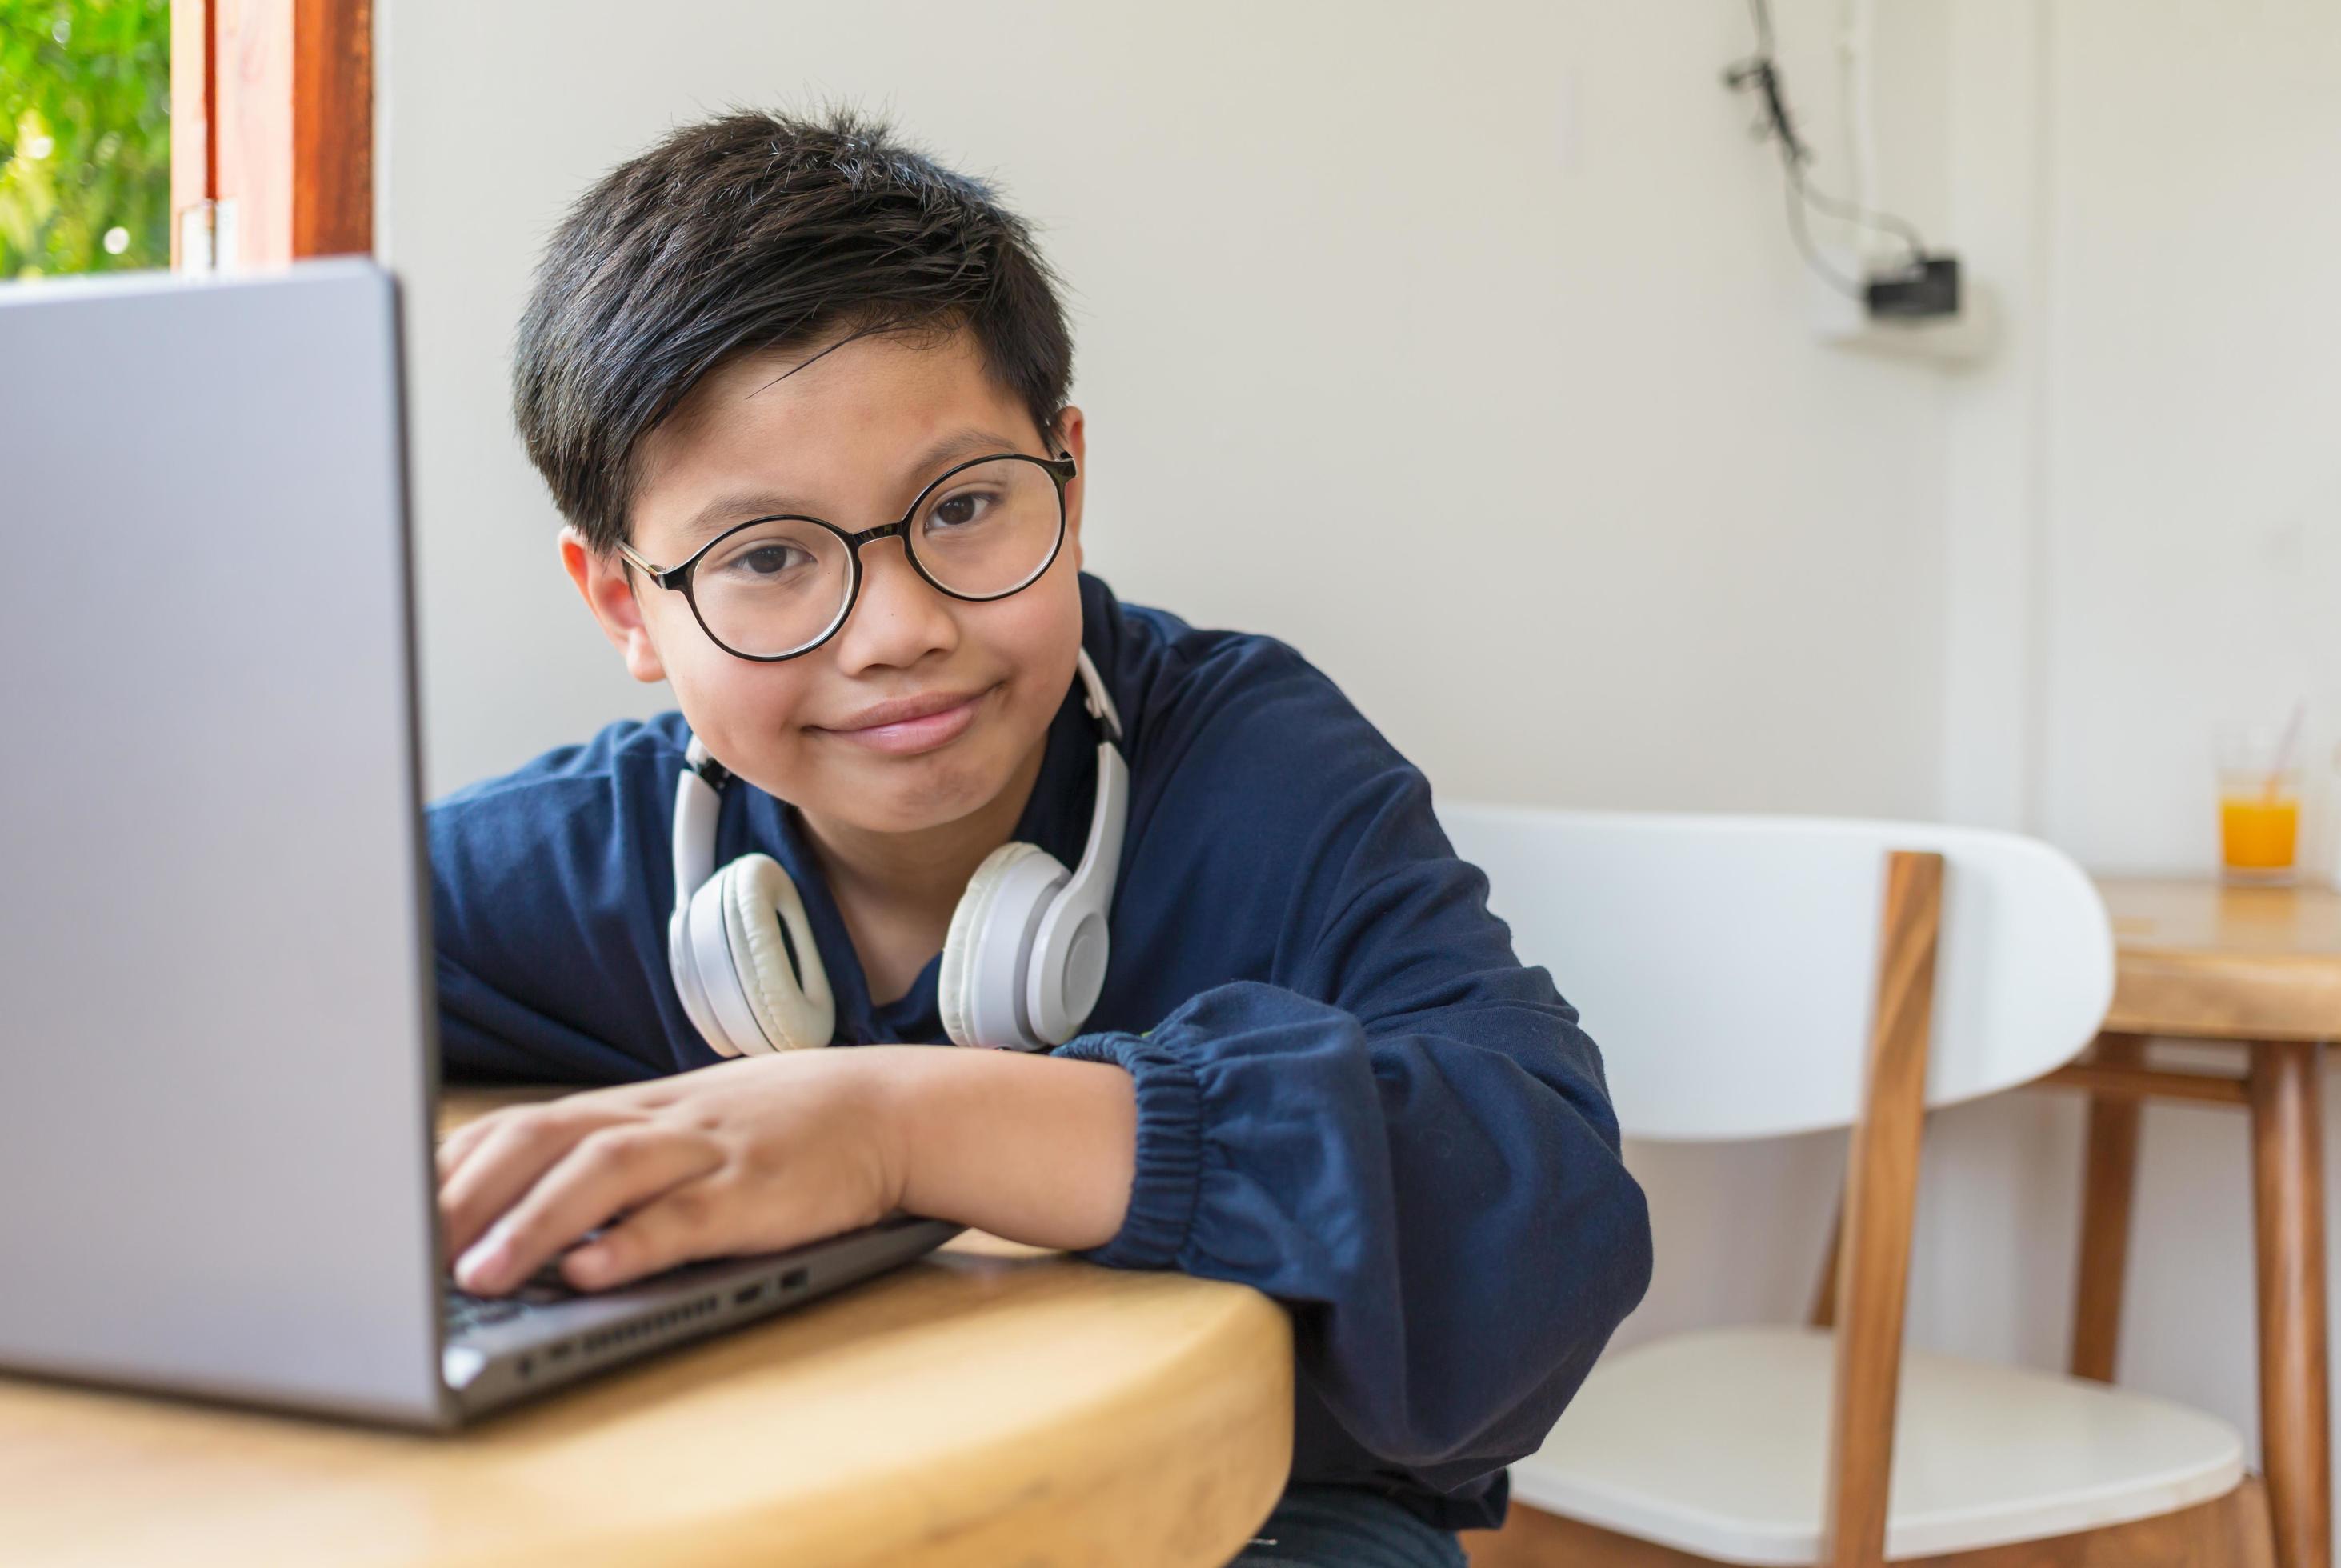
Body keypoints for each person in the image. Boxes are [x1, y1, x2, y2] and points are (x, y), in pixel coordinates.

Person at [428, 106, 1651, 1566]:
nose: (898, 630)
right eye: (764, 557)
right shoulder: (586, 852)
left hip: (1243, 1504)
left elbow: (1548, 1208)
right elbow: (188, 999)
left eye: (963, 509)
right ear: (625, 604)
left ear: (1067, 478)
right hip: (783, 1500)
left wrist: (892, 1128)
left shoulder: (1253, 762)